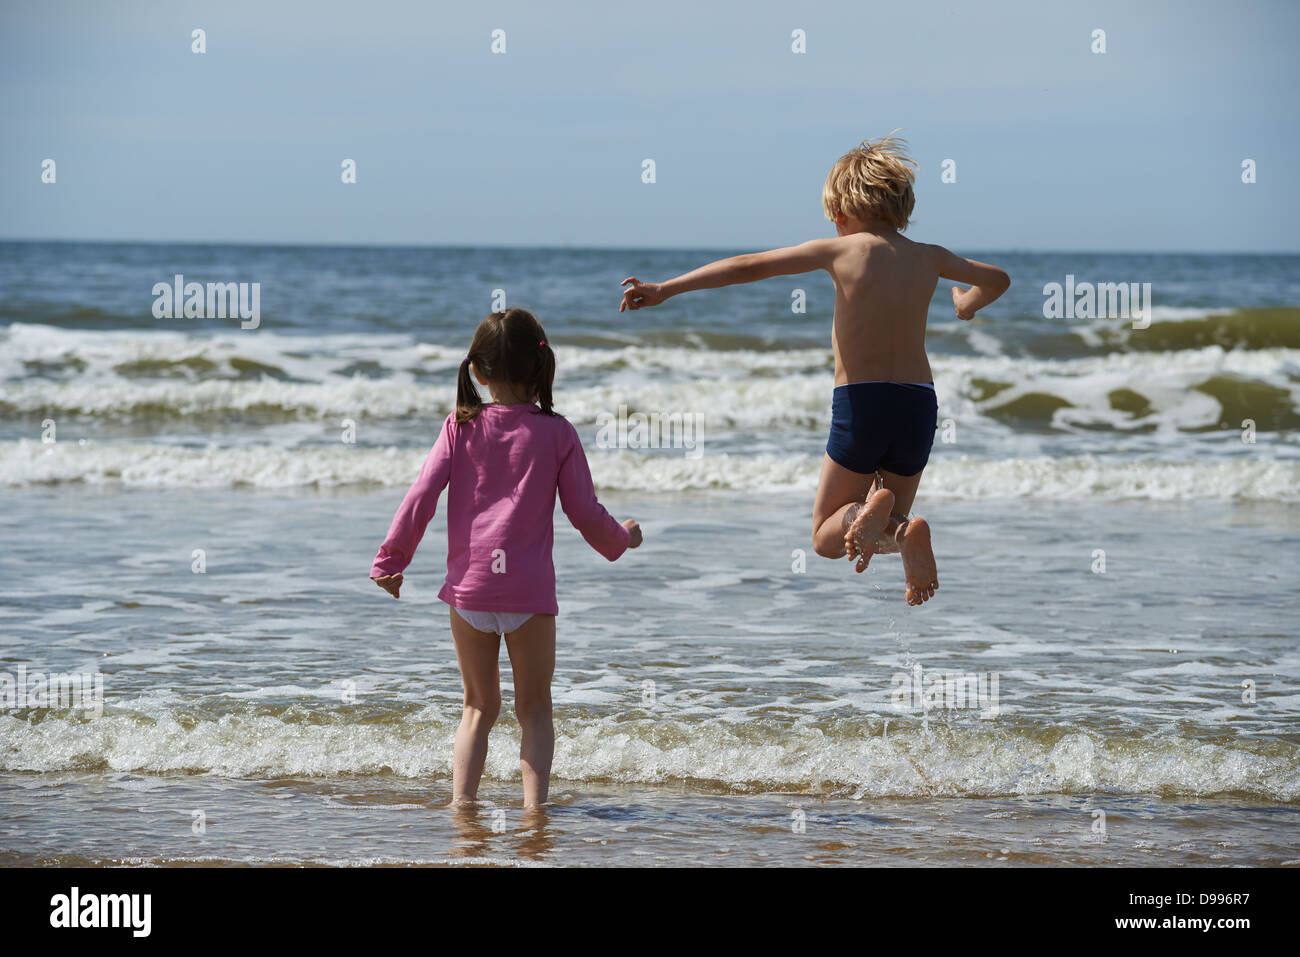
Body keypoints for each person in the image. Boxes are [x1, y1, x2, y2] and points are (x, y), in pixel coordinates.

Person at [619, 132, 1009, 605]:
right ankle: (901, 530)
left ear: (840, 213)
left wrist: (666, 289)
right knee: (886, 528)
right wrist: (966, 305)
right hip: (917, 405)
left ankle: (868, 519)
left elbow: (748, 266)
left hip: (862, 403)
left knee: (825, 536)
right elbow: (997, 279)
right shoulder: (929, 256)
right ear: (903, 205)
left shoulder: (840, 250)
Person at [369, 308, 642, 806]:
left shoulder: (460, 426)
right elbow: (585, 513)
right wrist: (621, 539)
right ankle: (534, 811)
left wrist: (391, 560)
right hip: (529, 595)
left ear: (478, 371)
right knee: (534, 708)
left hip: (470, 591)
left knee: (477, 707)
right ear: (540, 366)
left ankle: (462, 805)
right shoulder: (558, 433)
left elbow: (421, 495)